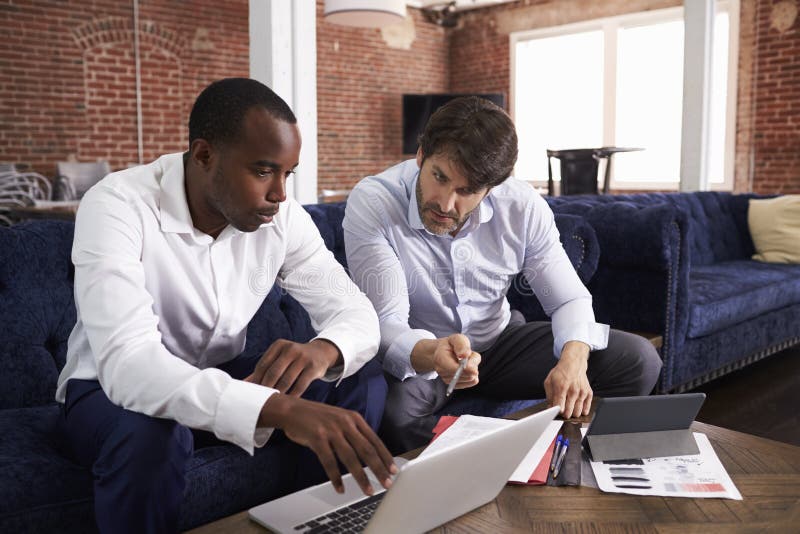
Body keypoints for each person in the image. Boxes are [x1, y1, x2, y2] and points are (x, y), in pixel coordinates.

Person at [56, 78, 396, 533]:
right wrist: (282, 409)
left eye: (287, 174)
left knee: (358, 380)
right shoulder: (118, 204)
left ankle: (317, 525)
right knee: (153, 432)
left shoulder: (282, 216)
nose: (280, 194)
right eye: (263, 171)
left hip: (220, 374)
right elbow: (130, 365)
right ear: (203, 155)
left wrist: (323, 350)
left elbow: (355, 313)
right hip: (107, 393)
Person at [342, 96, 662, 453]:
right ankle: (475, 478)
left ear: (492, 187)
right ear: (421, 156)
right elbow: (387, 321)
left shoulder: (522, 206)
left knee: (638, 359)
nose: (446, 204)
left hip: (500, 342)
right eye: (439, 177)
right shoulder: (374, 202)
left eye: (466, 191)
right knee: (392, 413)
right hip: (426, 356)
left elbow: (568, 298)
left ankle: (566, 463)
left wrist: (573, 360)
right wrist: (434, 354)